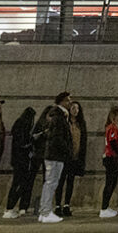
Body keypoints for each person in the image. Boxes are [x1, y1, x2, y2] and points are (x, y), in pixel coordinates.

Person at [36, 95, 73, 223]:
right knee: (51, 182)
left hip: (55, 155)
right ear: (62, 101)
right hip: (55, 155)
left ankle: (44, 211)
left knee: (51, 182)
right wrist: (67, 150)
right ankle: (46, 212)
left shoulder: (58, 116)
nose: (70, 102)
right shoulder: (58, 117)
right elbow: (58, 137)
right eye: (68, 100)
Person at [99, 104, 118, 219]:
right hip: (110, 157)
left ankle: (106, 206)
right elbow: (113, 143)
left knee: (112, 182)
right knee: (110, 183)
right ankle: (103, 208)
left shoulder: (113, 127)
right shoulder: (112, 127)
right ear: (115, 115)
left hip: (112, 157)